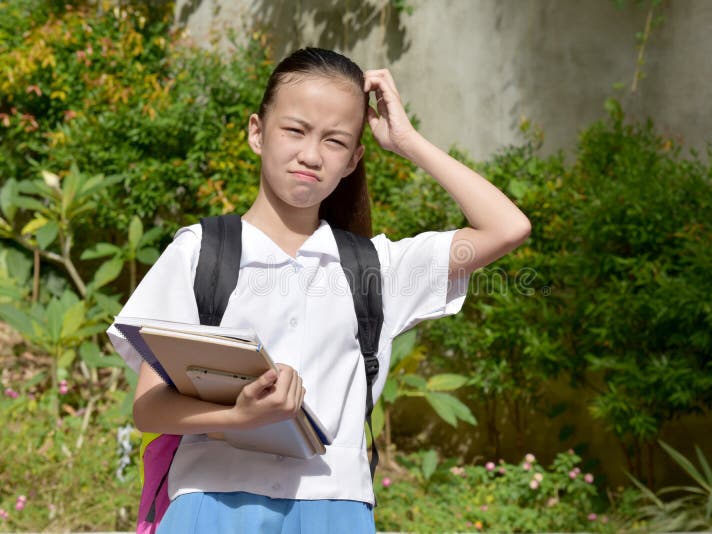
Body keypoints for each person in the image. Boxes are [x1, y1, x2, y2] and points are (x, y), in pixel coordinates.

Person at [107, 47, 530, 533]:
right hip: (211, 504)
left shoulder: (377, 269)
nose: (311, 155)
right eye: (295, 130)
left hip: (337, 508)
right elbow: (148, 409)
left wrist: (408, 141)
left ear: (353, 160)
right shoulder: (200, 253)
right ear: (256, 132)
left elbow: (507, 227)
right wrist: (239, 415)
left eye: (335, 141)